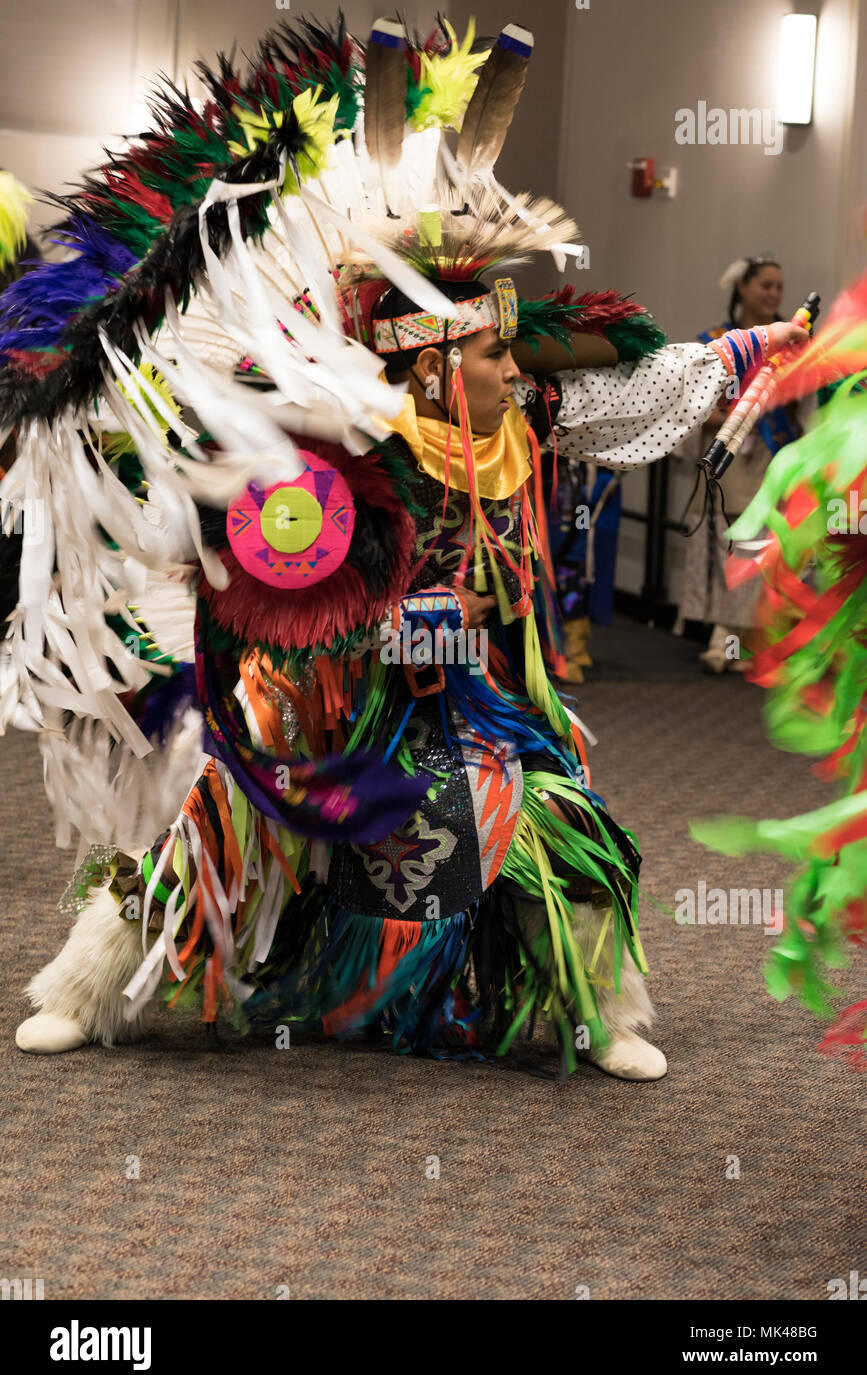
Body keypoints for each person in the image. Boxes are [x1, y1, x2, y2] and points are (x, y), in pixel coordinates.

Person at [2, 16, 807, 1081]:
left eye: (508, 347)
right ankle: (87, 987)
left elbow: (644, 387)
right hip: (329, 685)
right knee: (225, 801)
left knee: (554, 821)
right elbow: (261, 565)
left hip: (473, 697)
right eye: (485, 350)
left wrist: (758, 345)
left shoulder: (528, 417)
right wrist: (388, 612)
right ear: (425, 364)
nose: (507, 367)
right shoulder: (337, 444)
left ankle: (604, 1010)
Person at [674, 254, 810, 672]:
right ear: (742, 288)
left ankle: (740, 643)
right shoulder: (718, 341)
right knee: (726, 540)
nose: (773, 294)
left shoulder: (794, 343)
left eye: (779, 287)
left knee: (760, 546)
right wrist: (721, 414)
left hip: (771, 455)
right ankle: (725, 639)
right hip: (728, 452)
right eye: (765, 285)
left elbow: (805, 403)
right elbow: (693, 399)